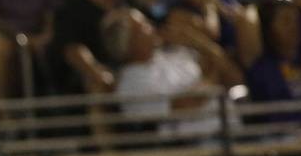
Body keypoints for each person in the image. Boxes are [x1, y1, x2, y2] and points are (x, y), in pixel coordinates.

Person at [104, 8, 243, 139]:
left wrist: (195, 41)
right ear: (129, 43)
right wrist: (213, 78)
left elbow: (231, 75)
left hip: (234, 130)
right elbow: (187, 104)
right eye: (144, 27)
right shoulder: (131, 83)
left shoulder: (171, 54)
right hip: (198, 148)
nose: (152, 28)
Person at [46, 0, 128, 97]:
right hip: (84, 87)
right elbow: (73, 50)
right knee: (95, 85)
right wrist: (98, 73)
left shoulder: (124, 7)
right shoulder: (70, 10)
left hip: (129, 77)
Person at [247, 0, 301, 121]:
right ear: (269, 28)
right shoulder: (263, 72)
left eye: (296, 20)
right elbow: (280, 118)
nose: (294, 27)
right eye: (286, 21)